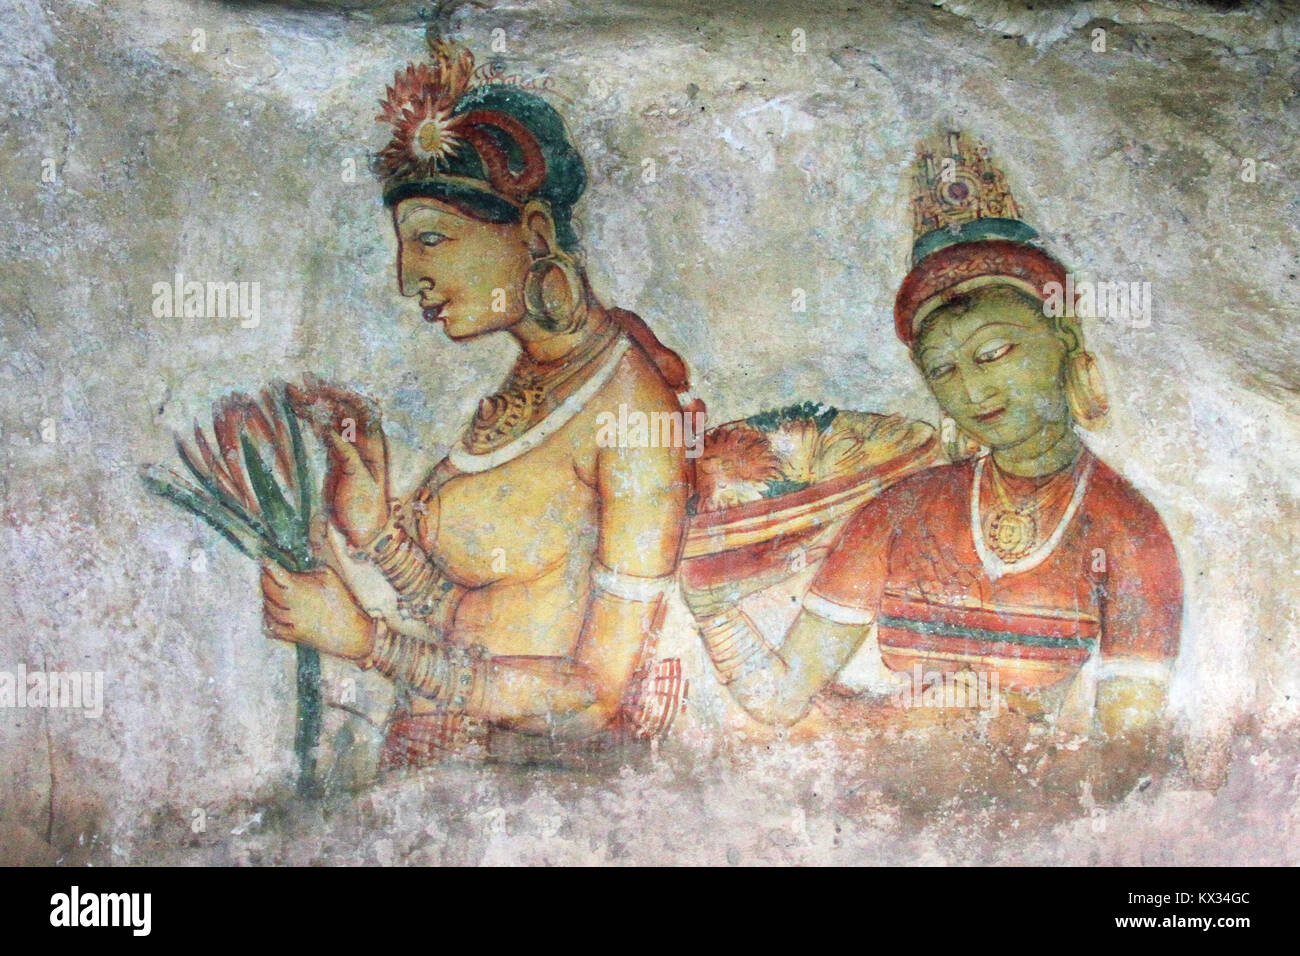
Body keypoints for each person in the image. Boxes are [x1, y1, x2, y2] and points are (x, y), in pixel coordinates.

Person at [259, 38, 697, 767]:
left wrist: (368, 643)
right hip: (443, 770)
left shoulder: (632, 414)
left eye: (432, 239)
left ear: (533, 233)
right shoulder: (529, 384)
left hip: (535, 793)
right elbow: (472, 616)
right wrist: (374, 532)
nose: (409, 278)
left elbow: (593, 695)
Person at [681, 133, 1182, 763]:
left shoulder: (1128, 529)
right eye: (943, 371)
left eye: (995, 352)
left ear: (1063, 342)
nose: (972, 389)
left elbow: (1125, 757)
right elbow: (781, 698)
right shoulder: (901, 510)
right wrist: (711, 609)